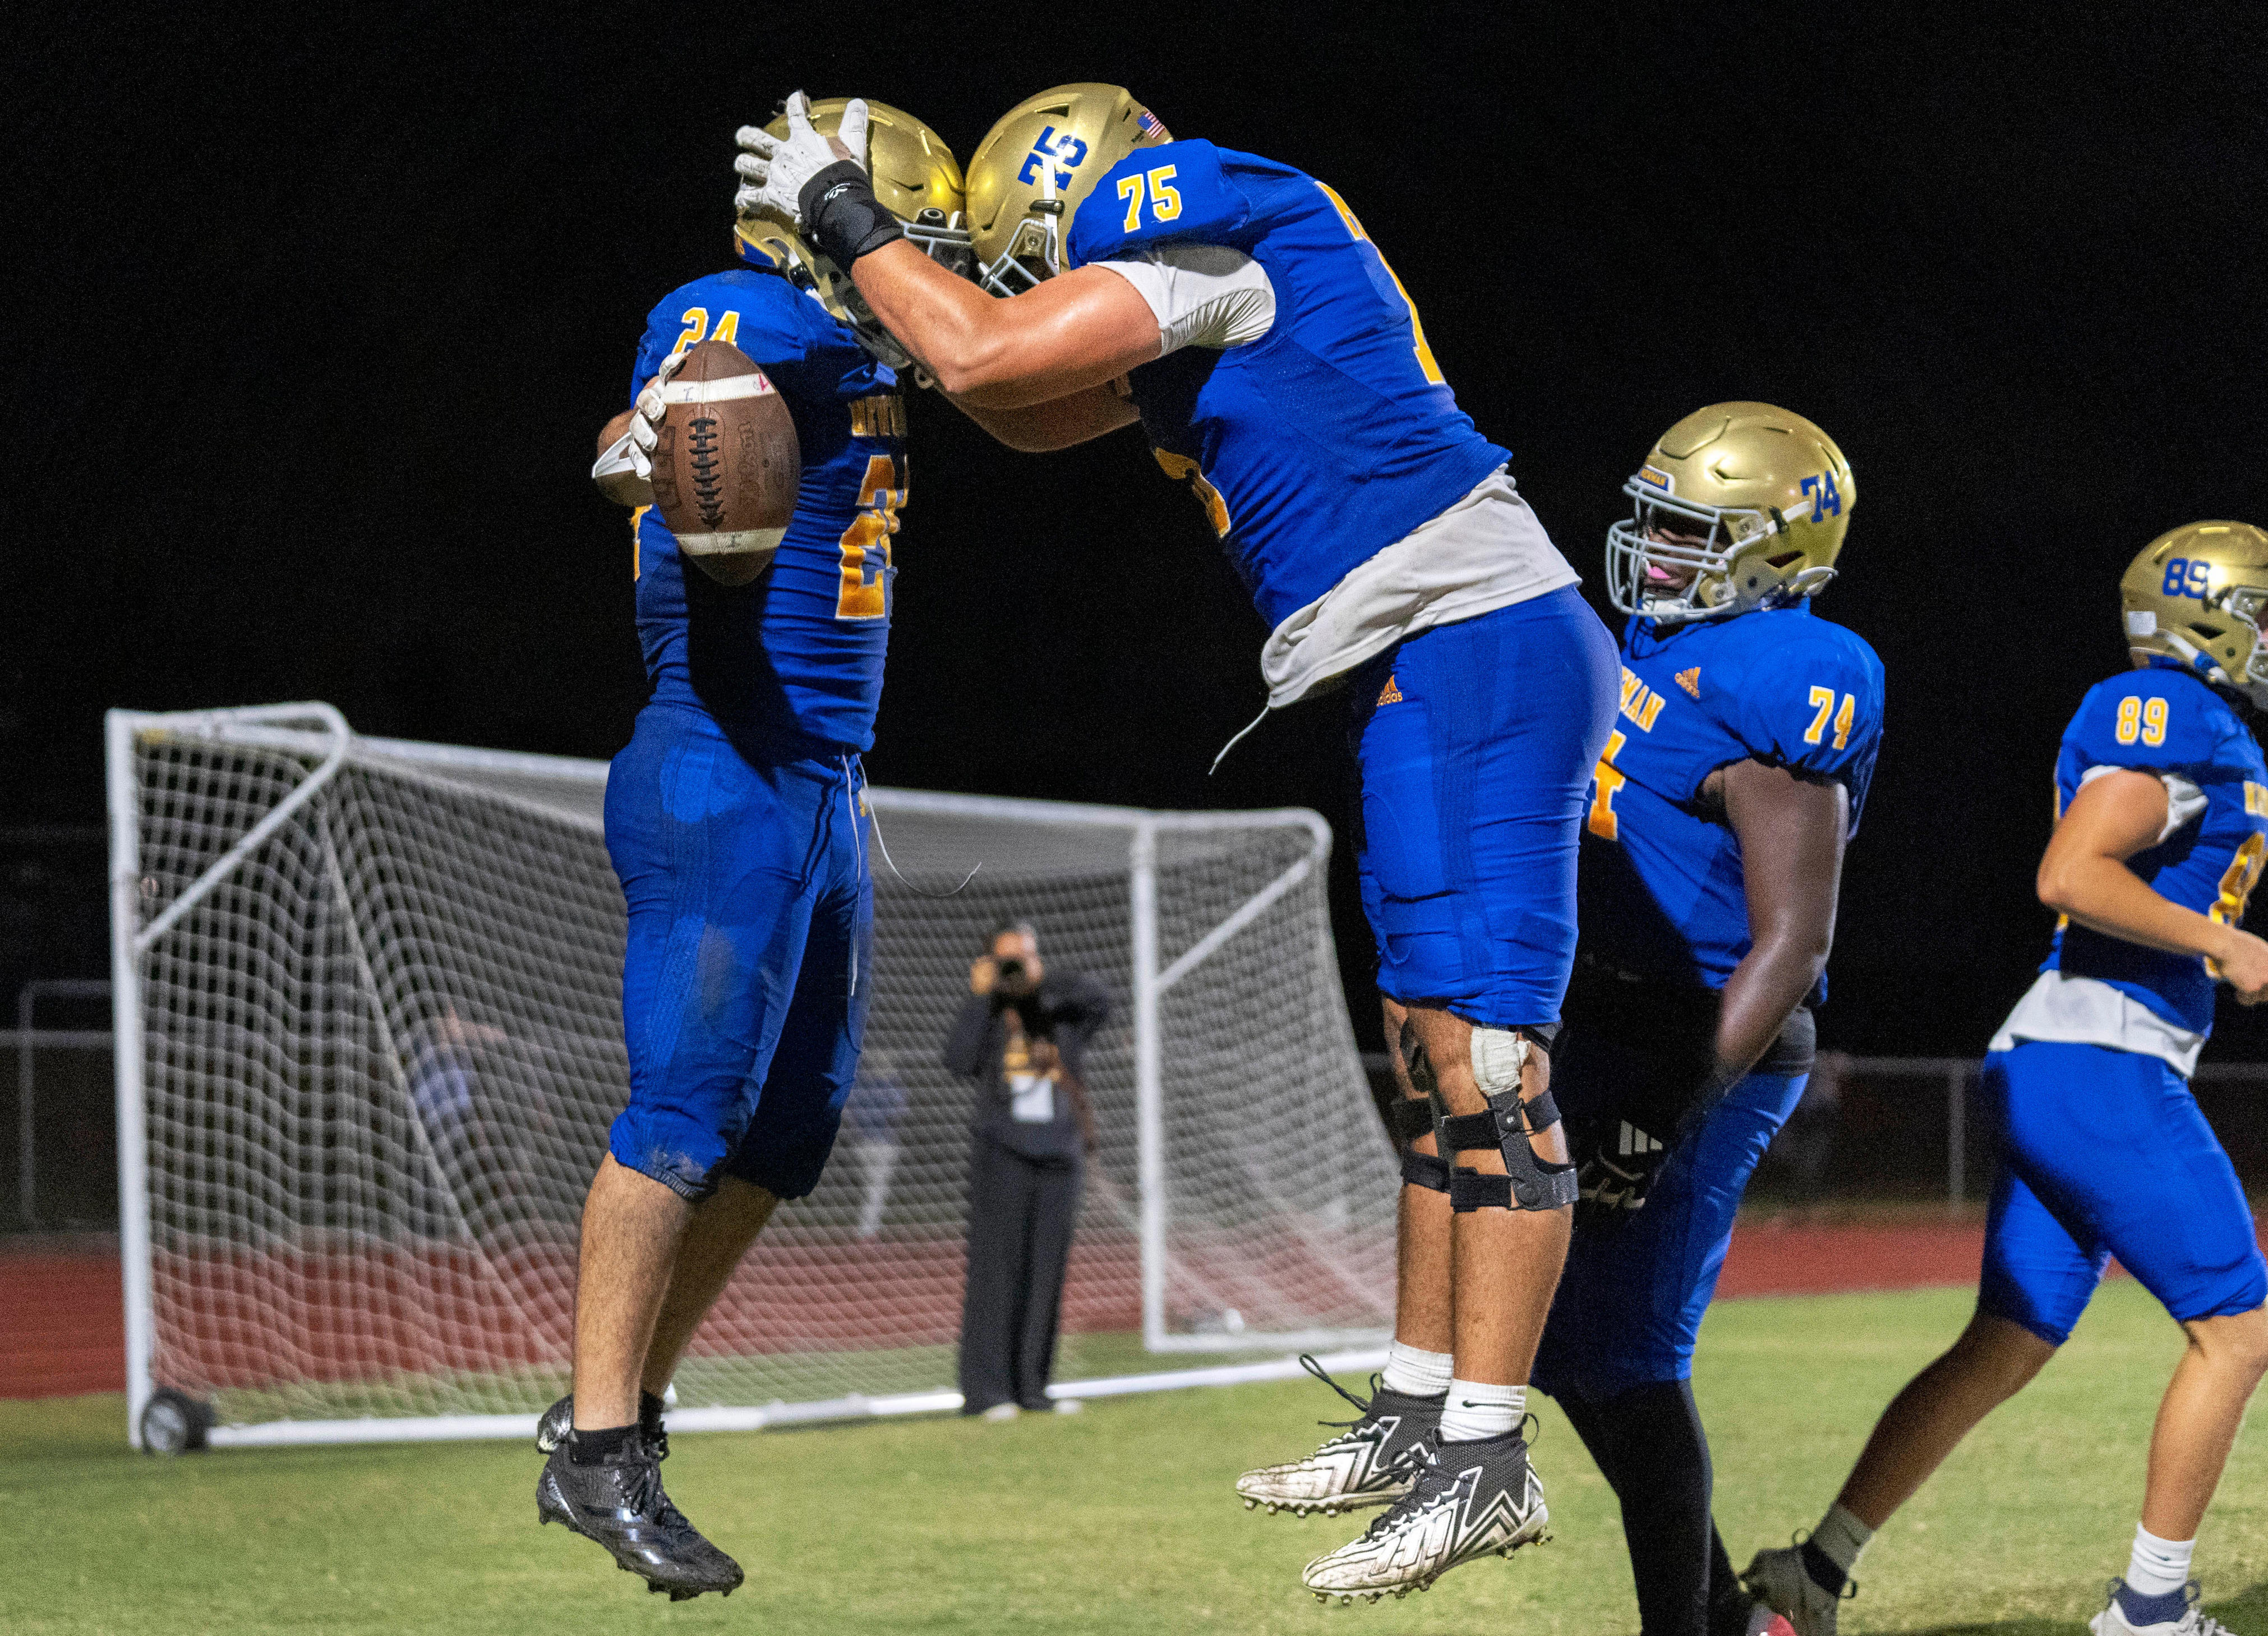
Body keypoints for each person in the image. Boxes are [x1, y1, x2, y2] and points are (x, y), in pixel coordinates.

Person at [735, 85, 1618, 1599]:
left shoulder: (1204, 223)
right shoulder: (1190, 286)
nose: (1032, 281)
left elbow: (986, 350)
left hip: (1480, 635)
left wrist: (845, 214)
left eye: (1027, 255)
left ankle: (1487, 1453)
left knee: (1489, 1061)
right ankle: (1419, 1407)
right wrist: (886, 303)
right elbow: (1008, 404)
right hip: (1421, 655)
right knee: (1427, 1053)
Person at [530, 100, 968, 1601]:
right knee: (681, 1111)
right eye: (900, 228)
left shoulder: (864, 353)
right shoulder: (741, 310)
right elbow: (666, 413)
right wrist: (638, 450)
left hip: (819, 781)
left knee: (787, 1136)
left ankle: (624, 1408)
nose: (915, 260)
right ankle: (597, 1446)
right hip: (719, 763)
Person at [1746, 522, 2268, 1636]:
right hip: (2099, 1063)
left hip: (2061, 1059)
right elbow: (2071, 872)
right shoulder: (2177, 712)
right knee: (2240, 1331)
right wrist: (2222, 943)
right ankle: (2150, 1610)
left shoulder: (2195, 724)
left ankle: (1814, 1569)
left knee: (2006, 1341)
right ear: (2208, 616)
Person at [1528, 404, 1883, 1636]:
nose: (1654, 549)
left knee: (1629, 1357)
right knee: (1560, 1347)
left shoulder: (1783, 673)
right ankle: (1723, 1621)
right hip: (1605, 1024)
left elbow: (1794, 942)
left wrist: (1663, 1110)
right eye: (1655, 521)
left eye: (1689, 531)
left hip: (1702, 1042)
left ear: (1777, 551)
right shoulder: (1664, 641)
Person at [943, 919, 1111, 1419]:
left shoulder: (1061, 1008)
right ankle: (987, 1392)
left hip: (1060, 1157)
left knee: (1046, 1276)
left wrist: (1039, 981)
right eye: (1008, 959)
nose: (1017, 966)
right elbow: (958, 1060)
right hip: (1004, 1153)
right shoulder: (992, 1014)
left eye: (1025, 954)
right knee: (996, 1272)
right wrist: (983, 995)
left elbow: (1101, 999)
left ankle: (1034, 1389)